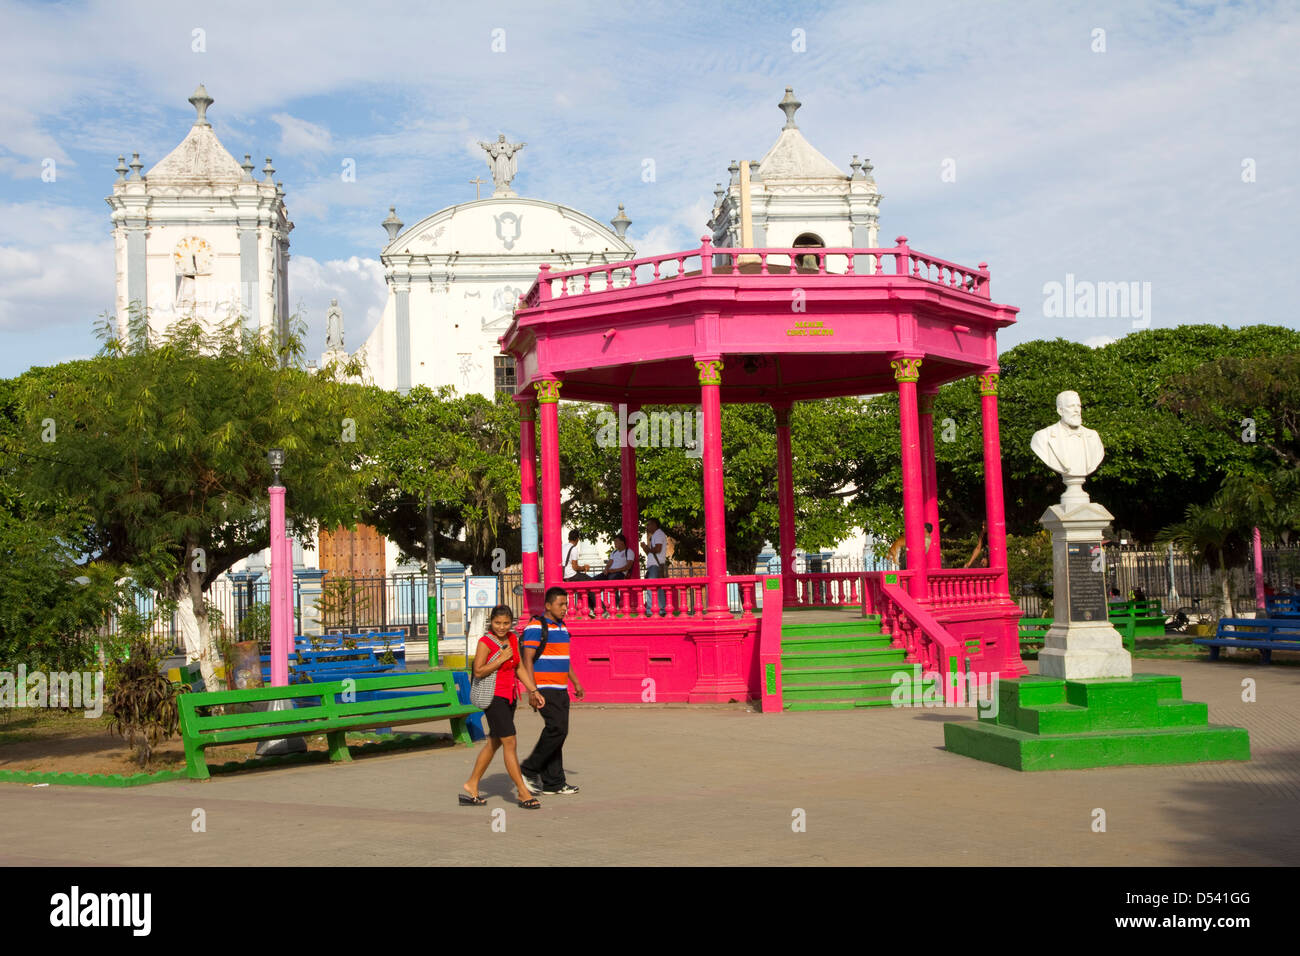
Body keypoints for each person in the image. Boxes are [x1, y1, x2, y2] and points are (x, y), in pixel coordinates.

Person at [461, 605, 546, 809]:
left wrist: (533, 690)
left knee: (495, 742)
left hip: (510, 697)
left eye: (506, 623)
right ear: (491, 622)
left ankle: (472, 784)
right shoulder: (485, 642)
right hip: (493, 697)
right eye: (498, 623)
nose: (501, 627)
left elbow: (518, 667)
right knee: (510, 742)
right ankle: (522, 792)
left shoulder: (513, 639)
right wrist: (499, 660)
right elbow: (479, 671)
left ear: (511, 623)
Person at [520, 587, 585, 795]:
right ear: (548, 606)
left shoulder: (563, 627)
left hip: (561, 688)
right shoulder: (536, 626)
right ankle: (529, 769)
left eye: (566, 604)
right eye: (561, 604)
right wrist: (532, 690)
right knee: (557, 730)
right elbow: (527, 659)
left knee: (557, 733)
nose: (565, 608)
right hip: (544, 688)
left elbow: (564, 660)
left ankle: (553, 783)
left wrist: (576, 683)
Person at [642, 518, 668, 616]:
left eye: (649, 525)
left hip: (655, 565)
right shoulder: (657, 535)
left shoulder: (658, 534)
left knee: (651, 587)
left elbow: (657, 549)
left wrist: (647, 548)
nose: (647, 527)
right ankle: (661, 609)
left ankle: (650, 609)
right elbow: (652, 551)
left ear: (654, 525)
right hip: (656, 564)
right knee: (659, 588)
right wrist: (646, 548)